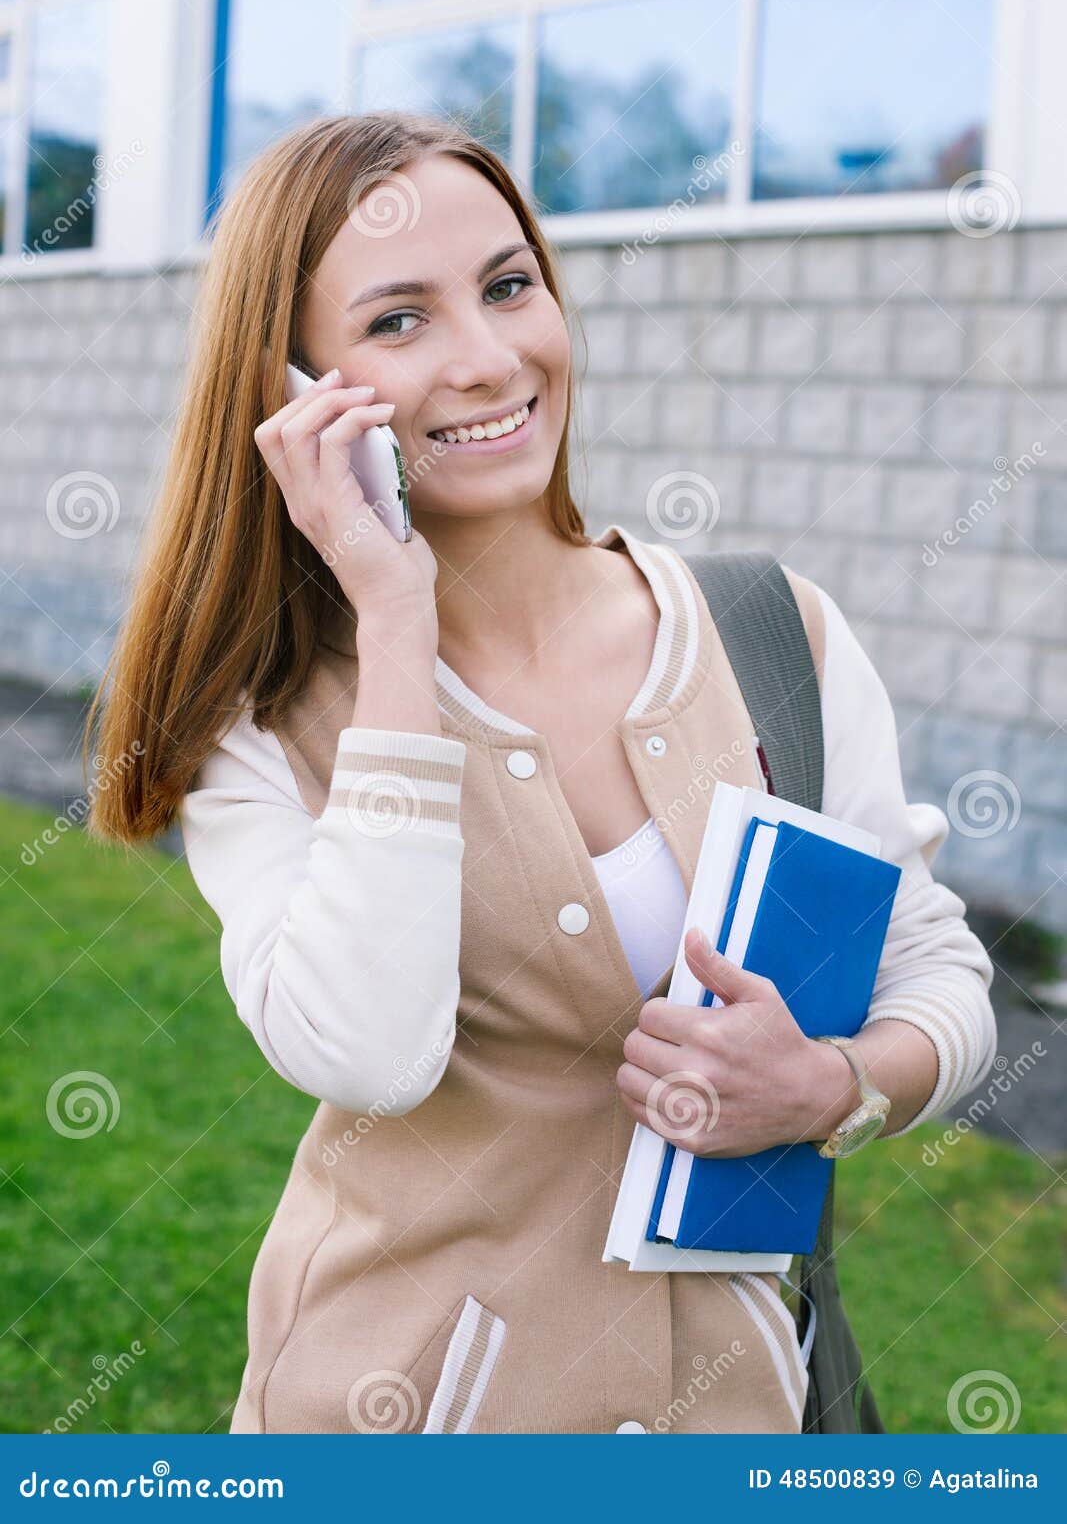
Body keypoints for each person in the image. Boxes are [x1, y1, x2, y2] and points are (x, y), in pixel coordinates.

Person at [87, 111, 997, 1434]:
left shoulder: (770, 629)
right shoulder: (265, 720)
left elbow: (937, 973)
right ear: (290, 393)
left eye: (510, 287)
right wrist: (393, 620)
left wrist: (837, 1087)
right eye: (398, 322)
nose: (488, 357)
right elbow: (369, 1050)